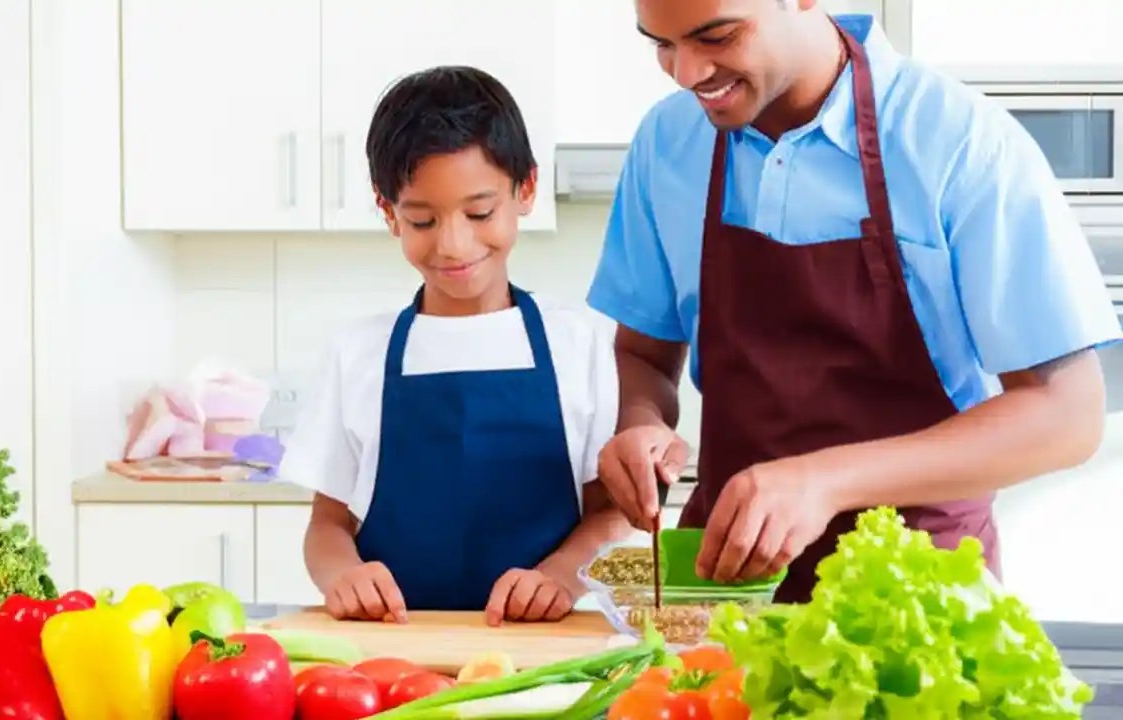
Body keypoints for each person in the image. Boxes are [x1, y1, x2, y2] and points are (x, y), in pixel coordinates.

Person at [587, 1, 1122, 603]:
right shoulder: (667, 143)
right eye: (661, 44)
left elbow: (1066, 413)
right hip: (730, 583)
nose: (686, 73)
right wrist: (640, 424)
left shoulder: (958, 141)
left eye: (718, 36)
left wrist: (824, 481)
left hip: (916, 594)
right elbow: (645, 359)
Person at [281, 65, 630, 625]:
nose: (453, 244)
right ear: (387, 210)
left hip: (542, 646)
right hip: (398, 646)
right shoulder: (359, 352)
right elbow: (327, 526)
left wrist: (561, 576)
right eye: (421, 219)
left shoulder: (580, 342)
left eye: (479, 212)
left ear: (527, 190)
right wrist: (341, 575)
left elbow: (609, 516)